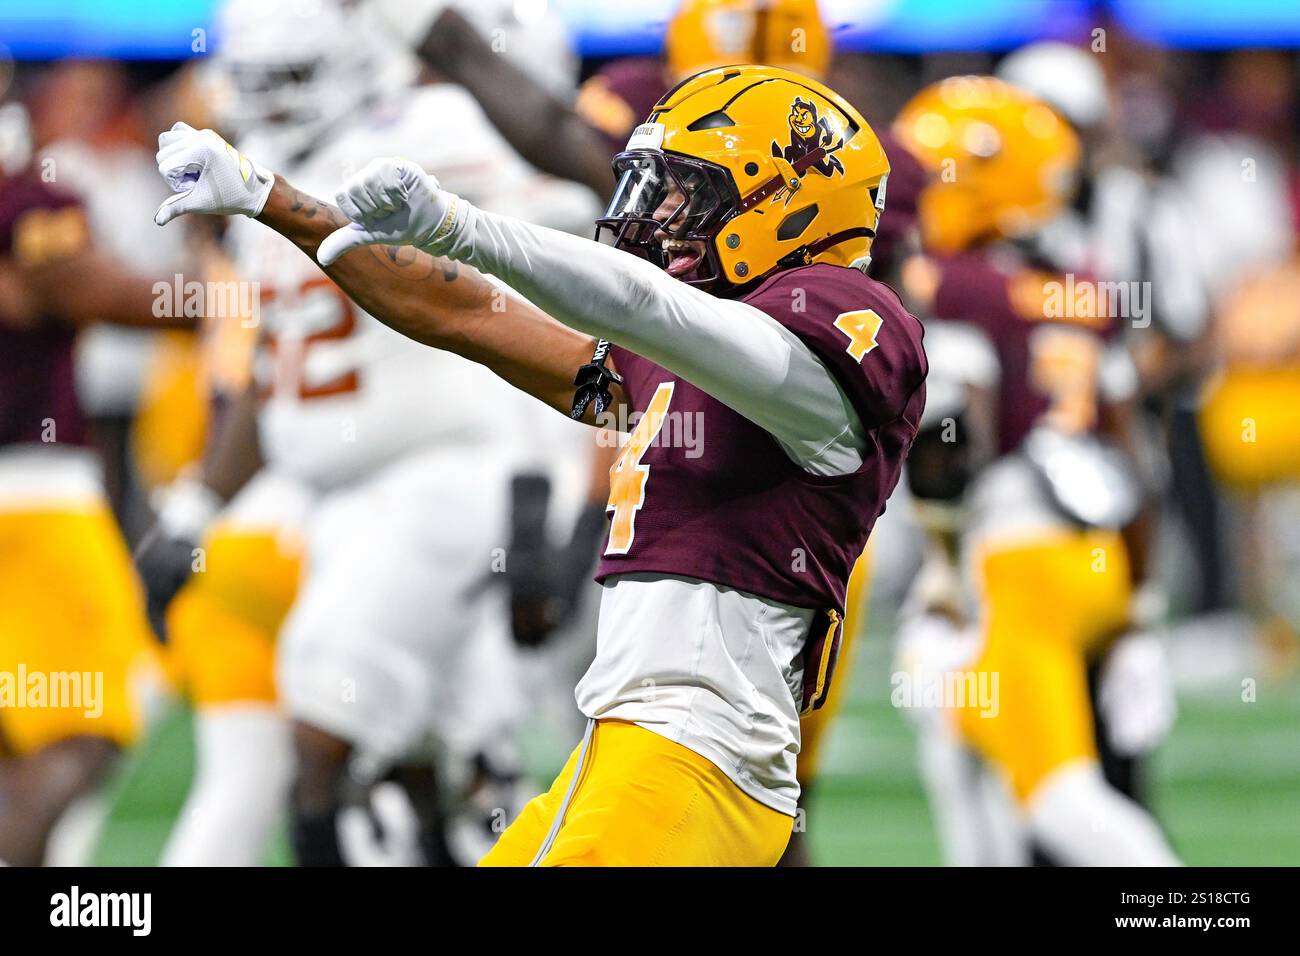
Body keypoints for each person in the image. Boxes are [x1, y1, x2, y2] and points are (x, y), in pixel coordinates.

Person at [152, 63, 926, 865]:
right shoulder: (690, 359)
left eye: (684, 193)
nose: (654, 216)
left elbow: (638, 302)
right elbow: (459, 315)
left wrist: (458, 224)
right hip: (626, 753)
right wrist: (269, 197)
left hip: (694, 763)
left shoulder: (841, 320)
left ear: (785, 203)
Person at [139, 0, 601, 866]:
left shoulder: (425, 130)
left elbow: (569, 194)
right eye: (257, 80)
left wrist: (550, 489)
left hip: (437, 482)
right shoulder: (259, 172)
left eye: (291, 77)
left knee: (322, 739)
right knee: (439, 767)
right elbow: (274, 366)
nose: (270, 99)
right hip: (342, 499)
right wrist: (197, 509)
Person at [892, 75, 1179, 865]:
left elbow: (953, 450)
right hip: (1097, 563)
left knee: (1064, 804)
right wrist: (1137, 611)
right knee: (960, 745)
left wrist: (945, 580)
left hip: (1010, 563)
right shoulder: (1082, 292)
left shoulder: (951, 289)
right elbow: (1135, 461)